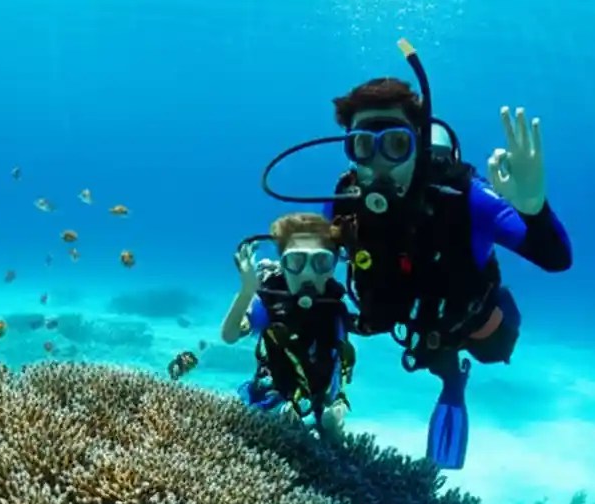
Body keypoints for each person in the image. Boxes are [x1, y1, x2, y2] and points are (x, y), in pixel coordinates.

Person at [259, 38, 572, 470]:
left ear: (420, 144)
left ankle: (453, 381)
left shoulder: (465, 199)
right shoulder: (342, 202)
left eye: (395, 145)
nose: (378, 164)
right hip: (391, 314)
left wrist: (535, 210)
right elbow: (312, 261)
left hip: (467, 319)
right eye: (363, 147)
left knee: (491, 348)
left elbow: (555, 258)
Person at [220, 212, 356, 445]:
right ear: (282, 263)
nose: (308, 273)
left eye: (321, 262)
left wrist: (336, 405)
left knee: (330, 440)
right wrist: (247, 290)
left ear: (333, 266)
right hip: (273, 396)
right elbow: (230, 335)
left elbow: (339, 359)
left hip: (320, 399)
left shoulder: (335, 308)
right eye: (296, 262)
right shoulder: (269, 302)